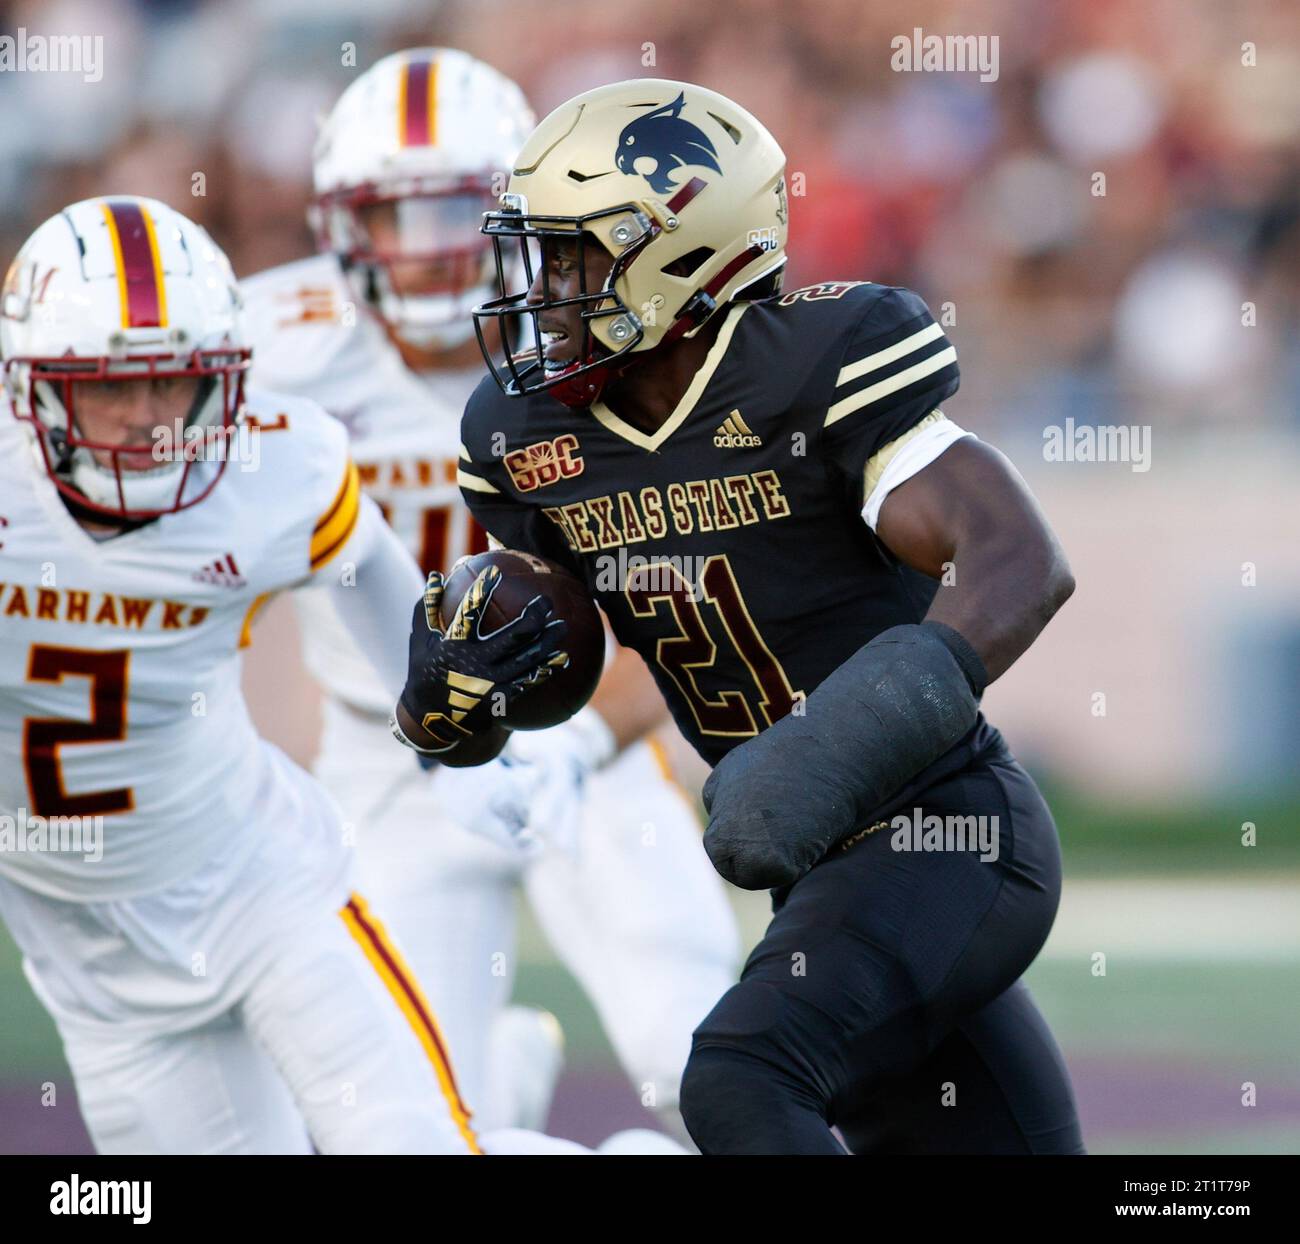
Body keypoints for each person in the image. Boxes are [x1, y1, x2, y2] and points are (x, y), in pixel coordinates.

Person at [394, 79, 1087, 1155]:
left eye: (575, 258)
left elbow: (1016, 559)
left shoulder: (811, 364)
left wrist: (839, 736)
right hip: (822, 867)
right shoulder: (528, 432)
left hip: (945, 830)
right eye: (542, 257)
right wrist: (470, 704)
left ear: (679, 251)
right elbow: (560, 641)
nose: (544, 291)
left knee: (737, 1079)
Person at [0, 193, 654, 1157]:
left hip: (266, 892)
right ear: (36, 387)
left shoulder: (277, 468)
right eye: (109, 387)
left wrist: (464, 750)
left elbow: (414, 645)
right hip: (97, 970)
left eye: (174, 383)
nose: (146, 422)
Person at [241, 48, 738, 1133]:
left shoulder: (605, 328)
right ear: (335, 224)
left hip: (588, 732)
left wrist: (582, 741)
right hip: (393, 751)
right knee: (409, 1123)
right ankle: (501, 1082)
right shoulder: (258, 348)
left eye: (455, 215)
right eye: (391, 218)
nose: (423, 260)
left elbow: (690, 575)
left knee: (700, 1059)